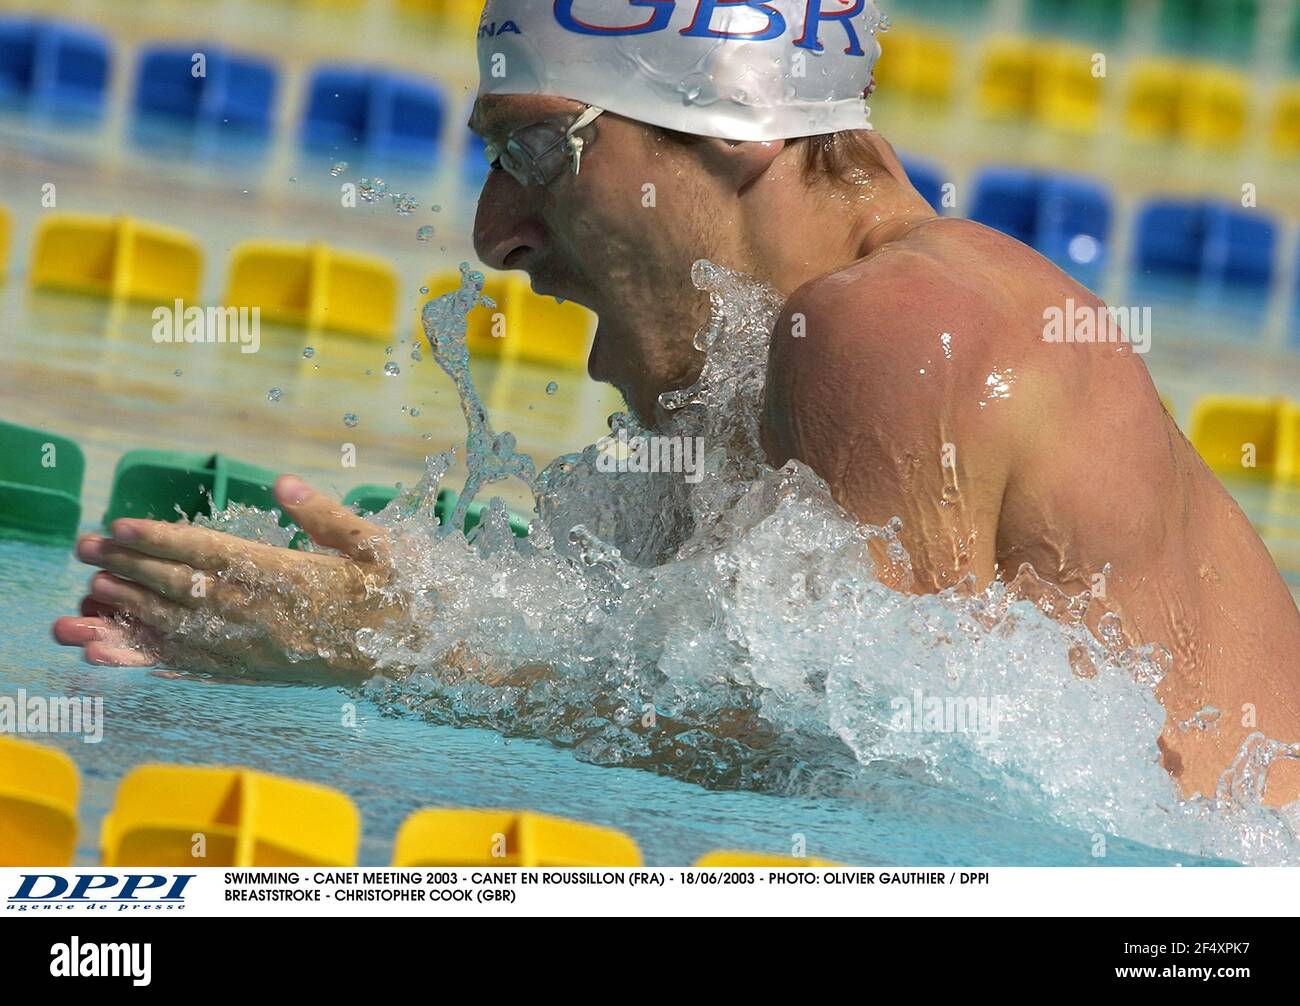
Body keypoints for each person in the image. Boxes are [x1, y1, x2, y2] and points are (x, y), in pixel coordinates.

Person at [54, 0, 1300, 804]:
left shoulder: (885, 329)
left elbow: (885, 786)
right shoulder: (805, 348)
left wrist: (406, 656)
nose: (498, 234)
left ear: (736, 131)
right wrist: (412, 615)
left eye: (539, 150)